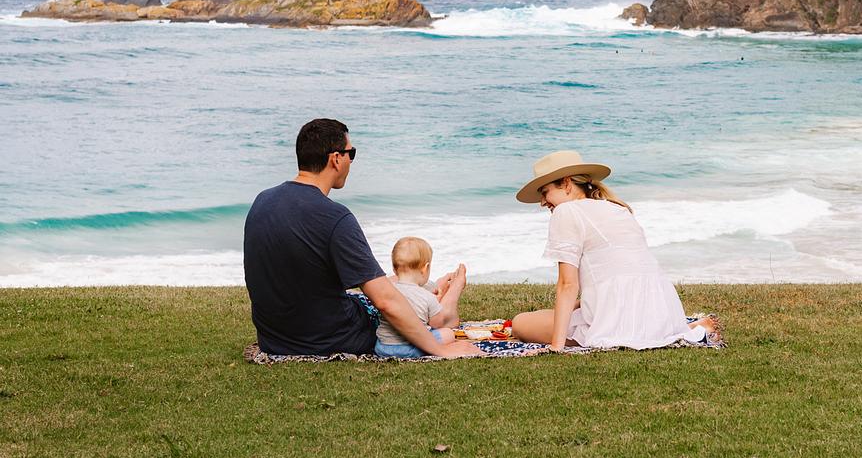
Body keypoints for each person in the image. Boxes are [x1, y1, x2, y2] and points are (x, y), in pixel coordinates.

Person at [243, 118, 480, 359]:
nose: (351, 161)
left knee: (390, 291)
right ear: (336, 159)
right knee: (404, 308)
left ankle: (423, 287)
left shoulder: (263, 201)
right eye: (351, 153)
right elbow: (385, 302)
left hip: (276, 339)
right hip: (330, 339)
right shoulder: (335, 217)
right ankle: (444, 295)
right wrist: (439, 349)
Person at [510, 150, 718, 351]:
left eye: (545, 192)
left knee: (520, 323)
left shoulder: (566, 211)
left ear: (566, 183)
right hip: (661, 309)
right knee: (553, 313)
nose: (542, 202)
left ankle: (666, 330)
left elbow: (568, 284)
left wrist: (557, 345)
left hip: (616, 317)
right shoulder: (618, 208)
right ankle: (679, 329)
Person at [375, 237, 466, 358]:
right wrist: (437, 300)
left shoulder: (388, 291)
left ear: (394, 269)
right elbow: (437, 323)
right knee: (448, 333)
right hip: (410, 348)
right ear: (425, 268)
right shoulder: (427, 297)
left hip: (383, 347)